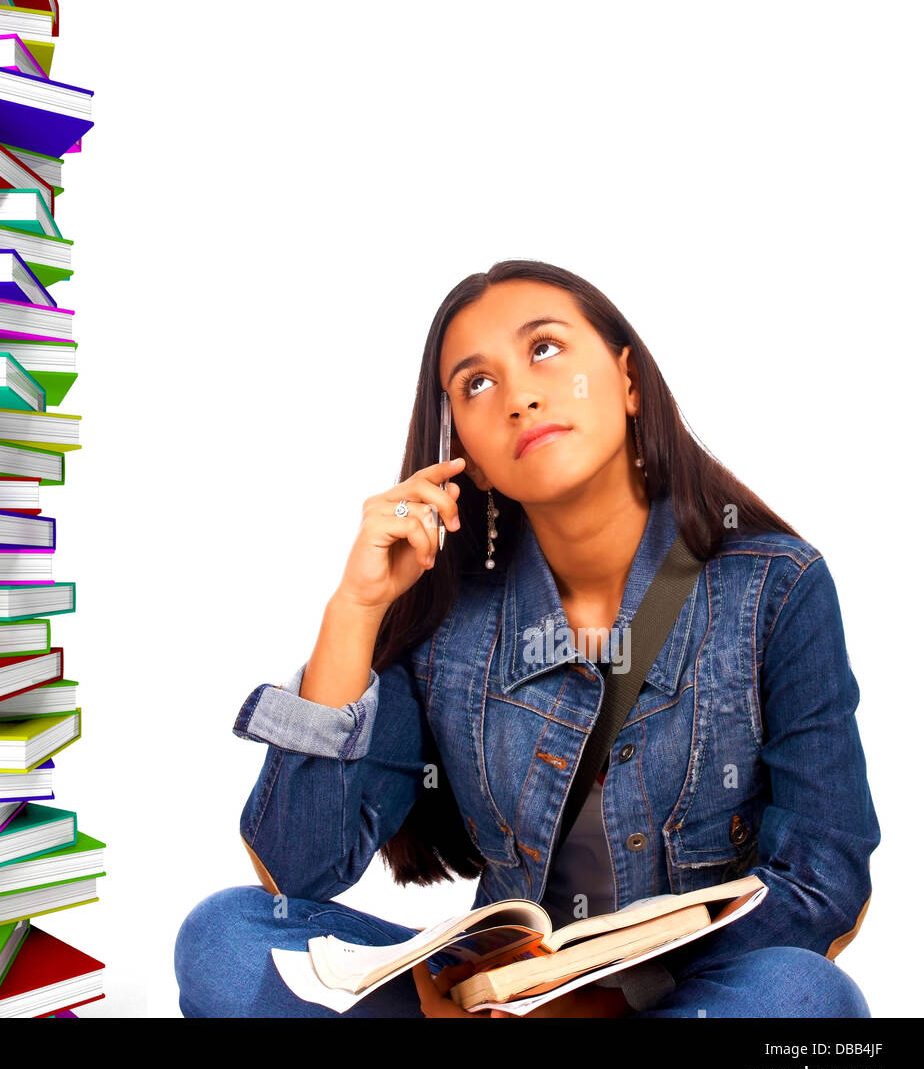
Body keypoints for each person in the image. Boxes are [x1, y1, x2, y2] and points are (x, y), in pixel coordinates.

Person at [174, 260, 879, 1017]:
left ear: (629, 380)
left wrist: (588, 1004)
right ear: (469, 457)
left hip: (685, 999)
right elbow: (296, 869)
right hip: (492, 996)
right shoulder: (448, 619)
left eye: (545, 349)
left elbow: (821, 883)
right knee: (224, 937)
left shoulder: (776, 587)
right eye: (477, 383)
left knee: (805, 997)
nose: (519, 397)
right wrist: (356, 608)